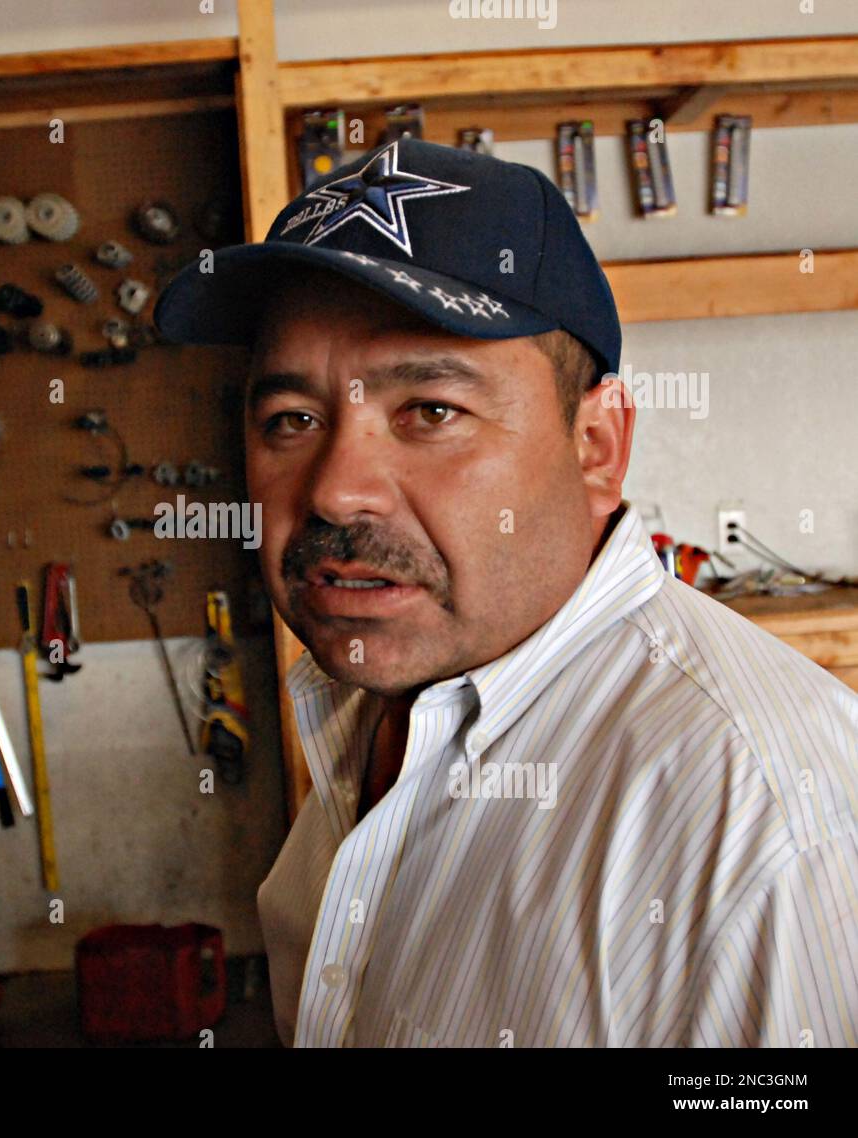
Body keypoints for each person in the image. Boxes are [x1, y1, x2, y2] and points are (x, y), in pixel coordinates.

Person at [153, 138, 858, 1047]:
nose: (334, 489)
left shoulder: (764, 818)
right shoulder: (364, 709)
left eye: (431, 413)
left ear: (595, 446)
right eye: (293, 419)